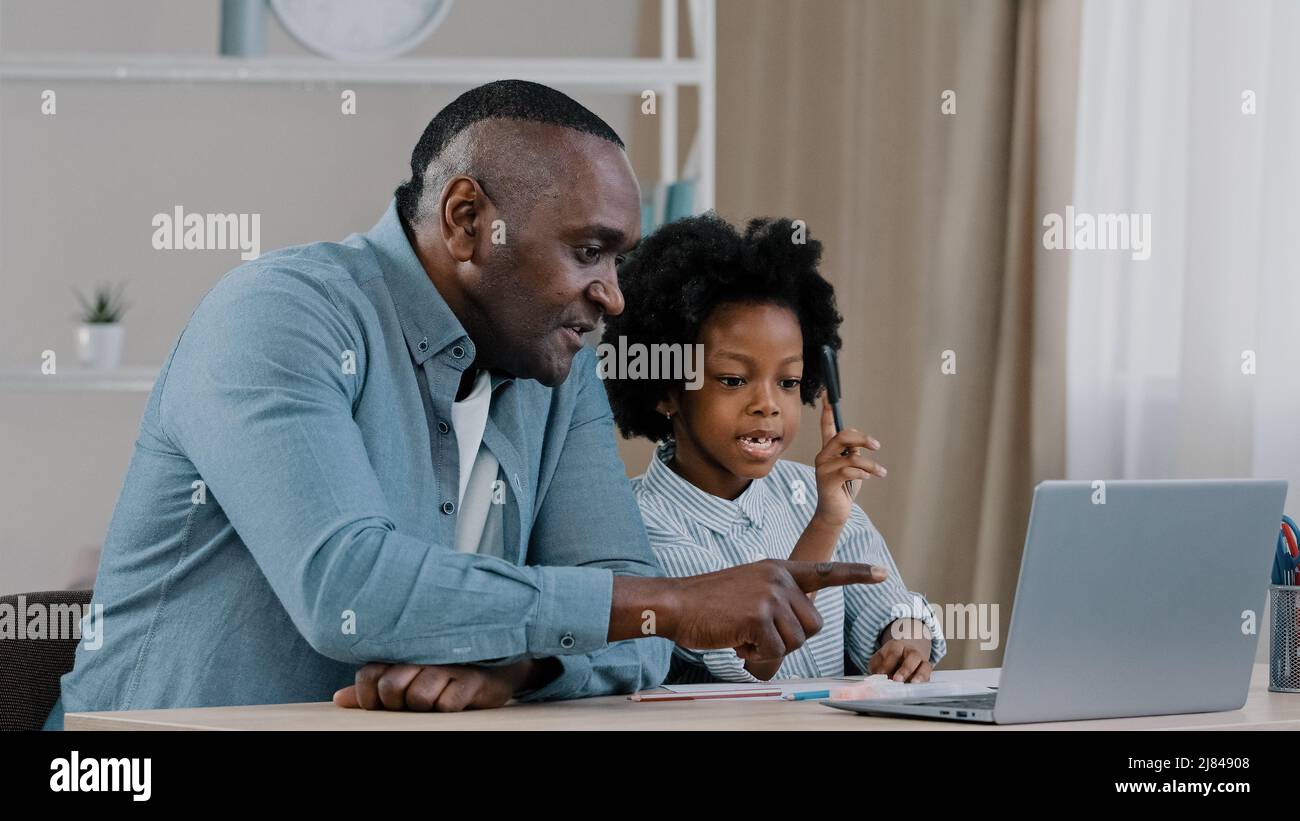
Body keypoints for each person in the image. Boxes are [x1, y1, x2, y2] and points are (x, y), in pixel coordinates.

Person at [45, 81, 886, 727]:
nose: (616, 298)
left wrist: (519, 668)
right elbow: (350, 588)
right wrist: (667, 602)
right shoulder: (279, 314)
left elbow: (635, 635)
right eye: (590, 251)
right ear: (466, 220)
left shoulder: (556, 375)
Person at [601, 213, 947, 684]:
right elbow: (758, 657)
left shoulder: (812, 489)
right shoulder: (639, 528)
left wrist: (905, 638)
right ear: (666, 391)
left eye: (787, 382)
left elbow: (892, 603)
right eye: (733, 380)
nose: (768, 405)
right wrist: (826, 524)